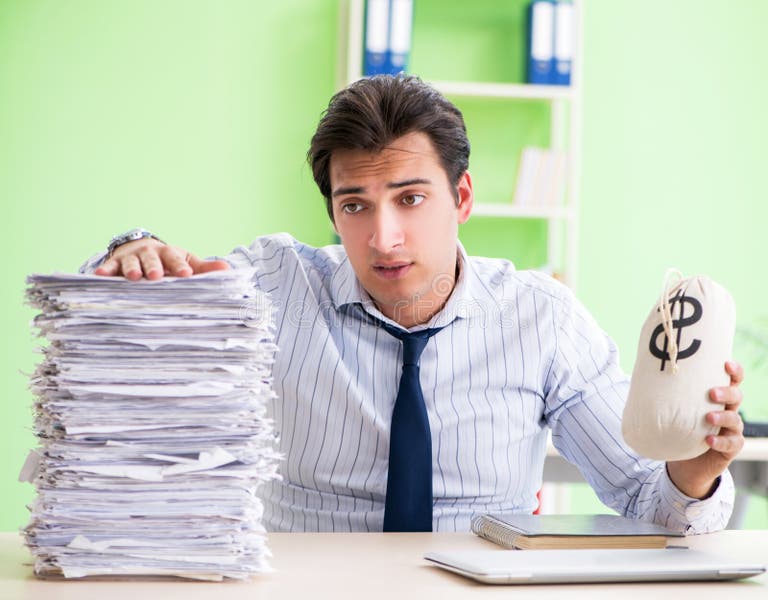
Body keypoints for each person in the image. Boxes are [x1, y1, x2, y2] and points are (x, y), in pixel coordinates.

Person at [84, 74, 745, 533]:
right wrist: (132, 248)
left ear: (461, 198)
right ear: (333, 213)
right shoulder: (280, 282)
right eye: (355, 206)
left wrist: (694, 473)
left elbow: (643, 497)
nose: (384, 237)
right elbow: (133, 308)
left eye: (410, 198)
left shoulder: (543, 318)